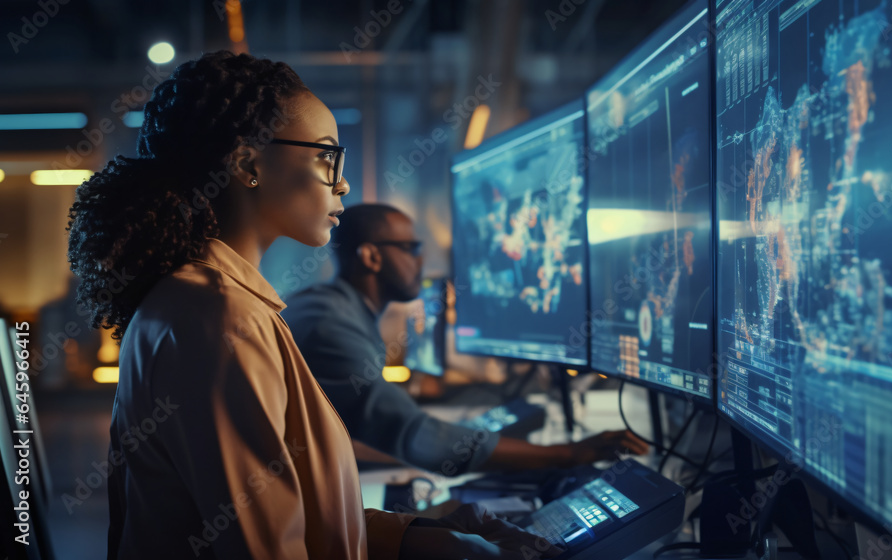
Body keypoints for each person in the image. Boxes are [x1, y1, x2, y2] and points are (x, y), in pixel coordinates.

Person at [67, 50, 557, 560]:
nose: (342, 181)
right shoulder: (221, 318)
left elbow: (297, 516)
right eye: (326, 156)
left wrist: (419, 536)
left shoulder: (213, 300)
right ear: (248, 165)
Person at [281, 203, 649, 476]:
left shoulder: (332, 307)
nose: (421, 261)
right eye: (411, 248)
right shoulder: (330, 325)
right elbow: (412, 434)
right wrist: (568, 454)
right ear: (371, 256)